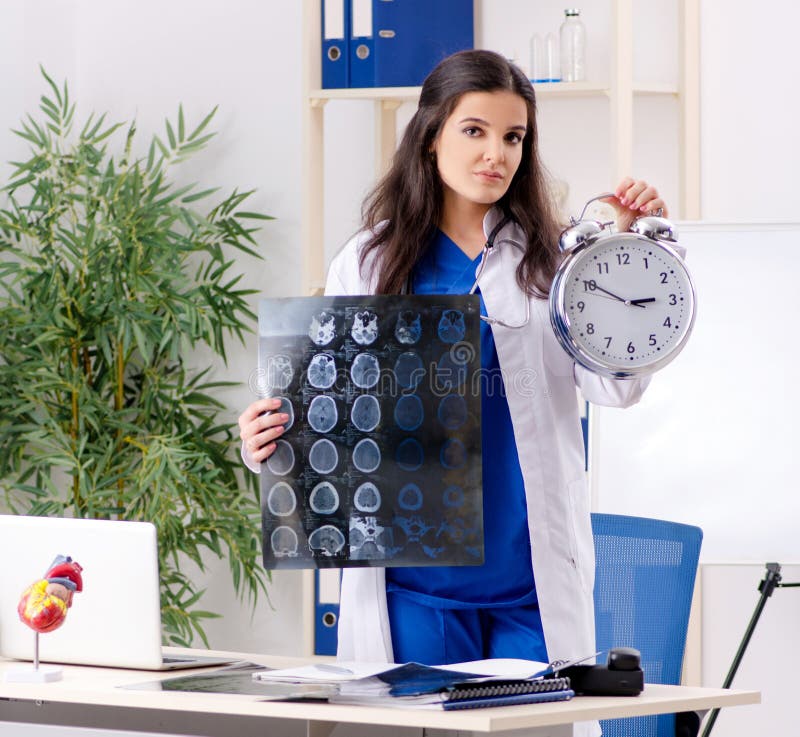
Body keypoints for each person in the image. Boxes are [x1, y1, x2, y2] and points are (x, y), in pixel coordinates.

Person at [239, 50, 666, 676]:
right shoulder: (369, 262)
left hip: (530, 582)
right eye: (475, 131)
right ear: (431, 136)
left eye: (513, 137)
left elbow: (616, 388)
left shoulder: (556, 259)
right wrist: (266, 442)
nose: (496, 154)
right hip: (414, 590)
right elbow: (323, 416)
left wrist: (630, 252)